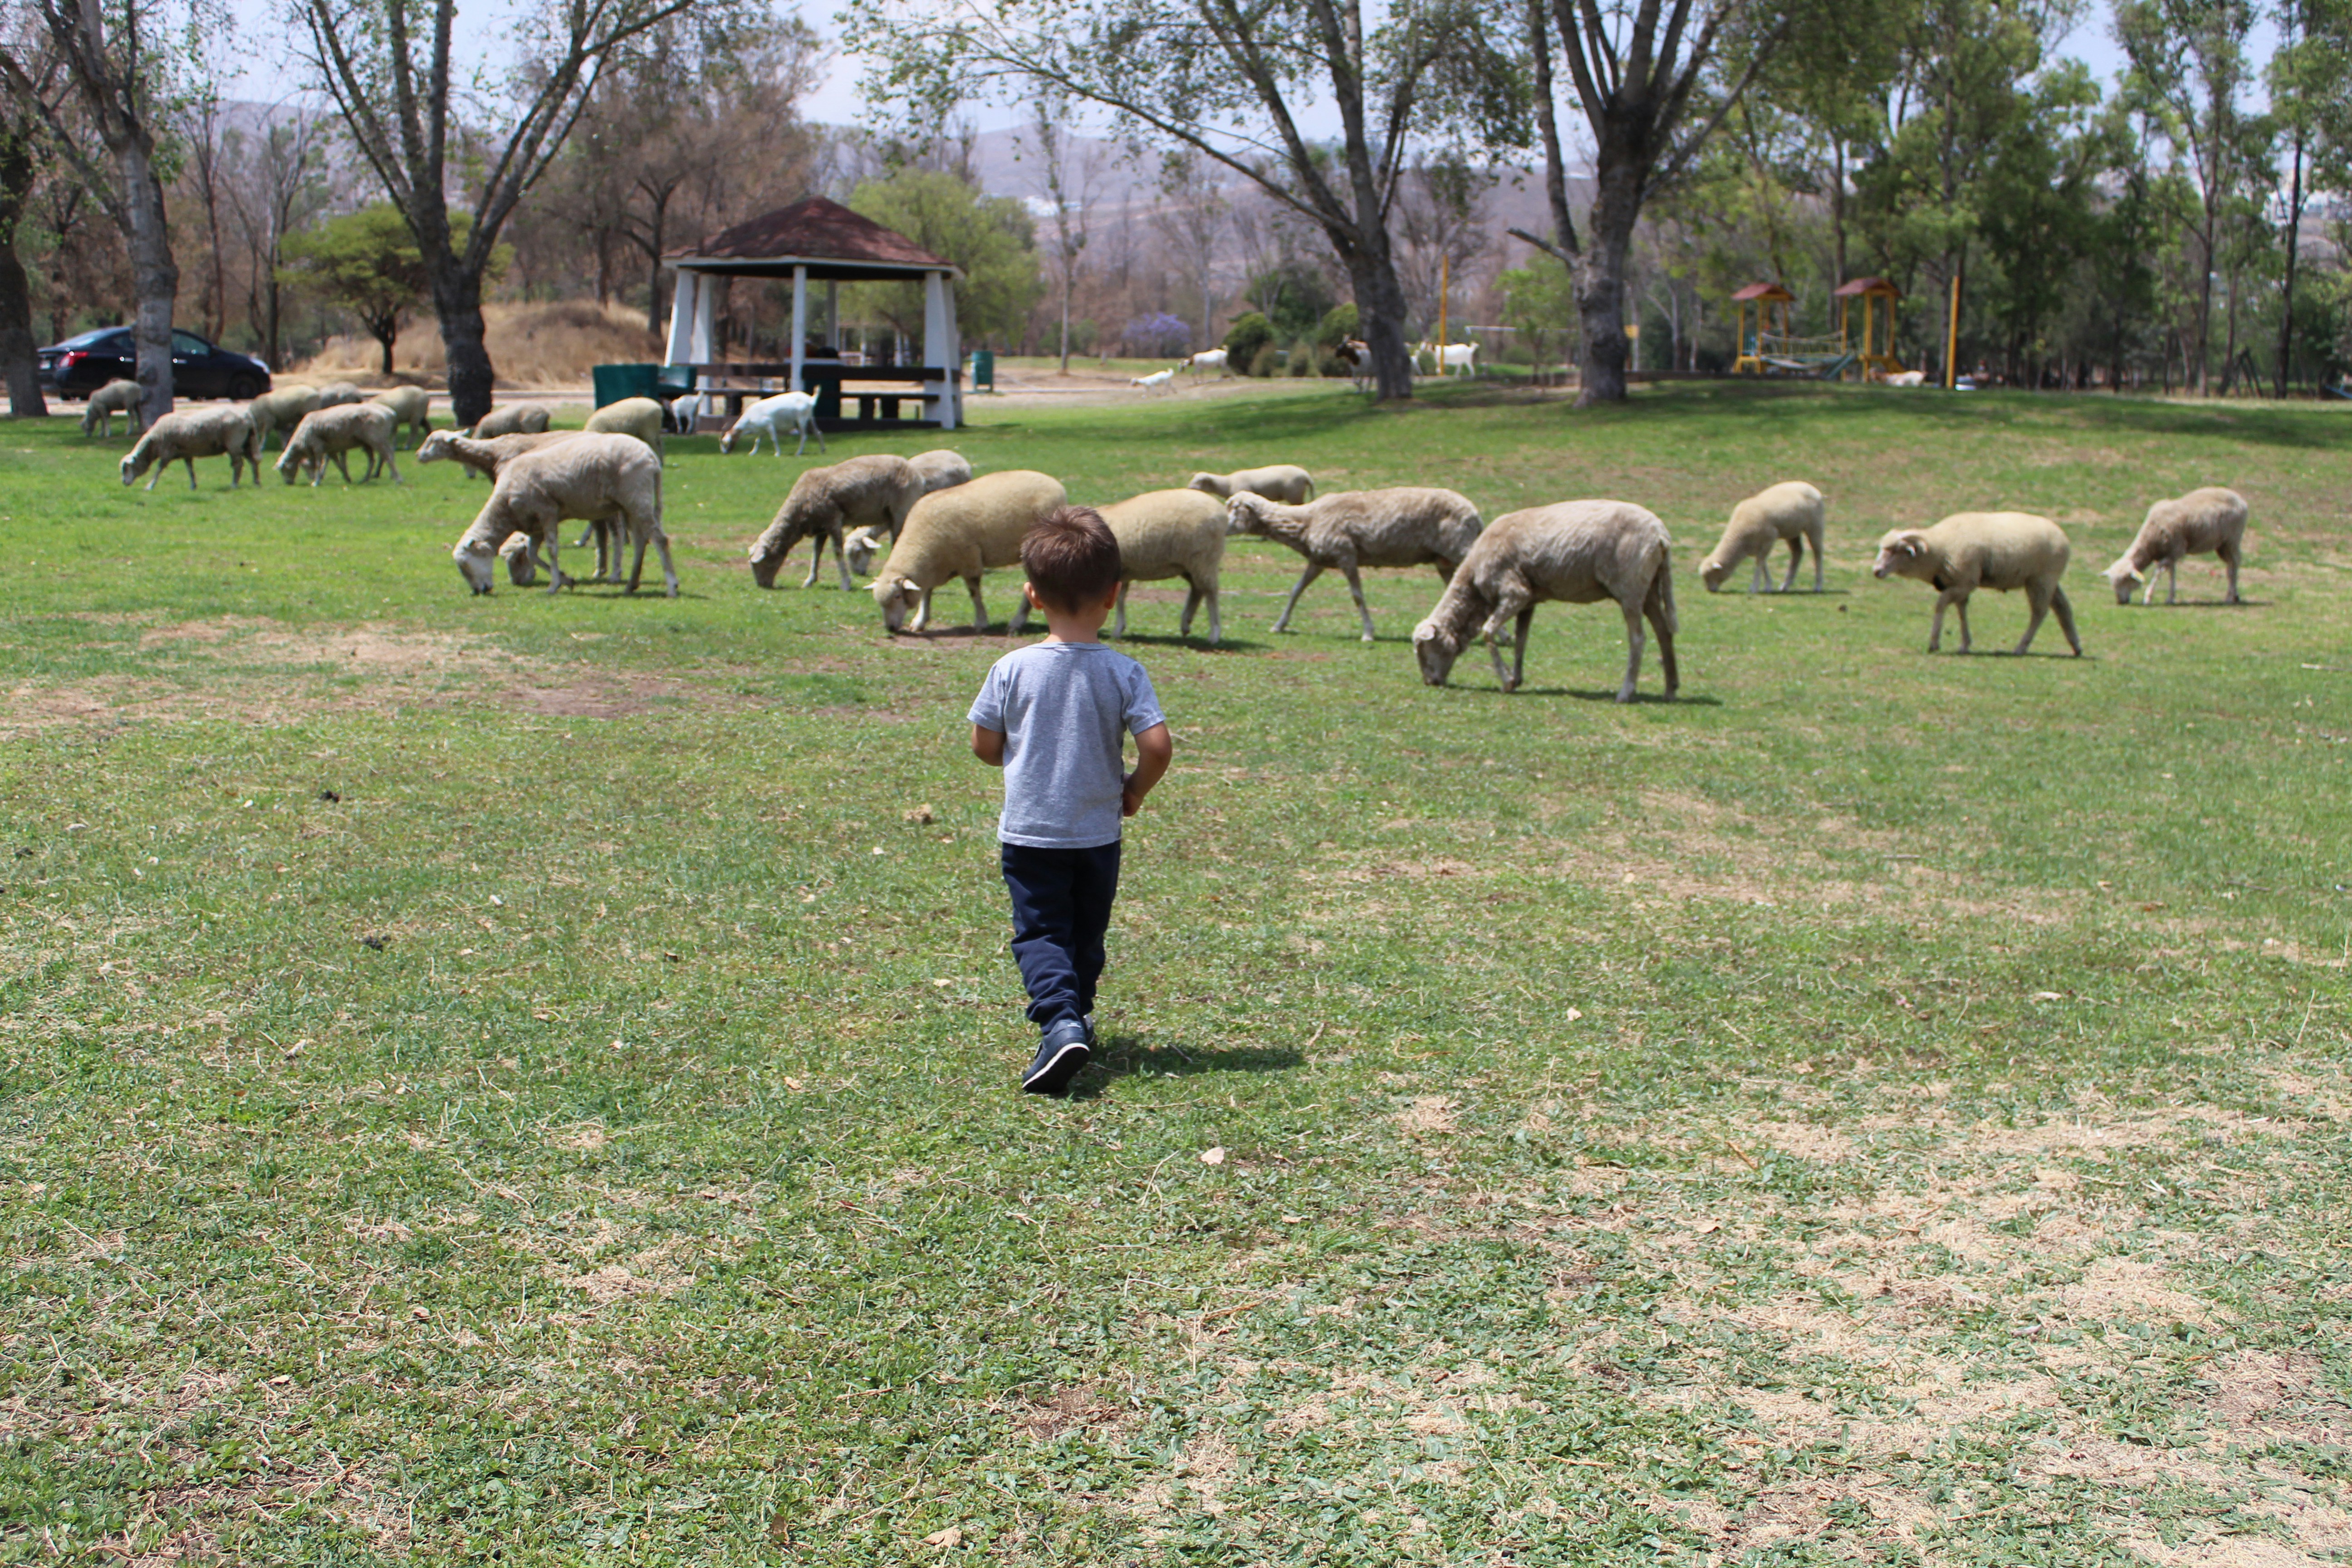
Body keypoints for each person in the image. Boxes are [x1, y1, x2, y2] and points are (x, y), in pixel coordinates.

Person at [969, 506, 1174, 1095]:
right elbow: (1157, 746)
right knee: (1086, 931)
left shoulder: (1011, 668)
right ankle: (1075, 1017)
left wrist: (1011, 752)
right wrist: (1133, 788)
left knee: (1040, 933)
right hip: (1097, 833)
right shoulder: (1124, 672)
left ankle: (1060, 1022)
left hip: (1032, 832)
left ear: (1033, 596)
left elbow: (985, 746)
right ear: (1113, 594)